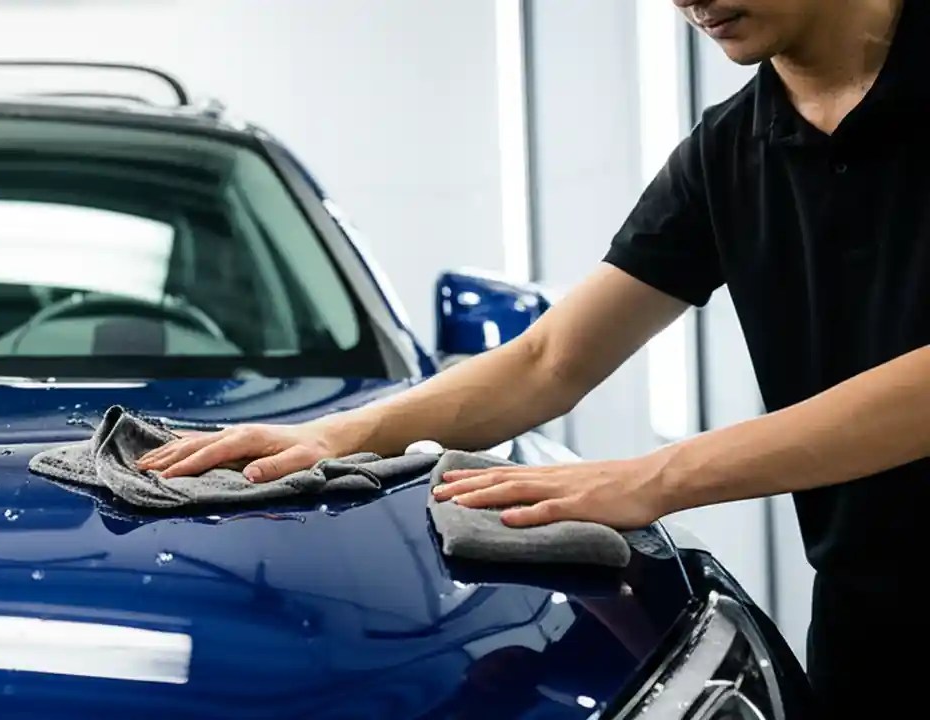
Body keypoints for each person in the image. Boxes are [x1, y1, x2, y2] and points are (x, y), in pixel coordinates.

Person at [139, 0, 928, 713]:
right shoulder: (729, 150)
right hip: (868, 624)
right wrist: (334, 436)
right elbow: (550, 360)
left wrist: (649, 479)